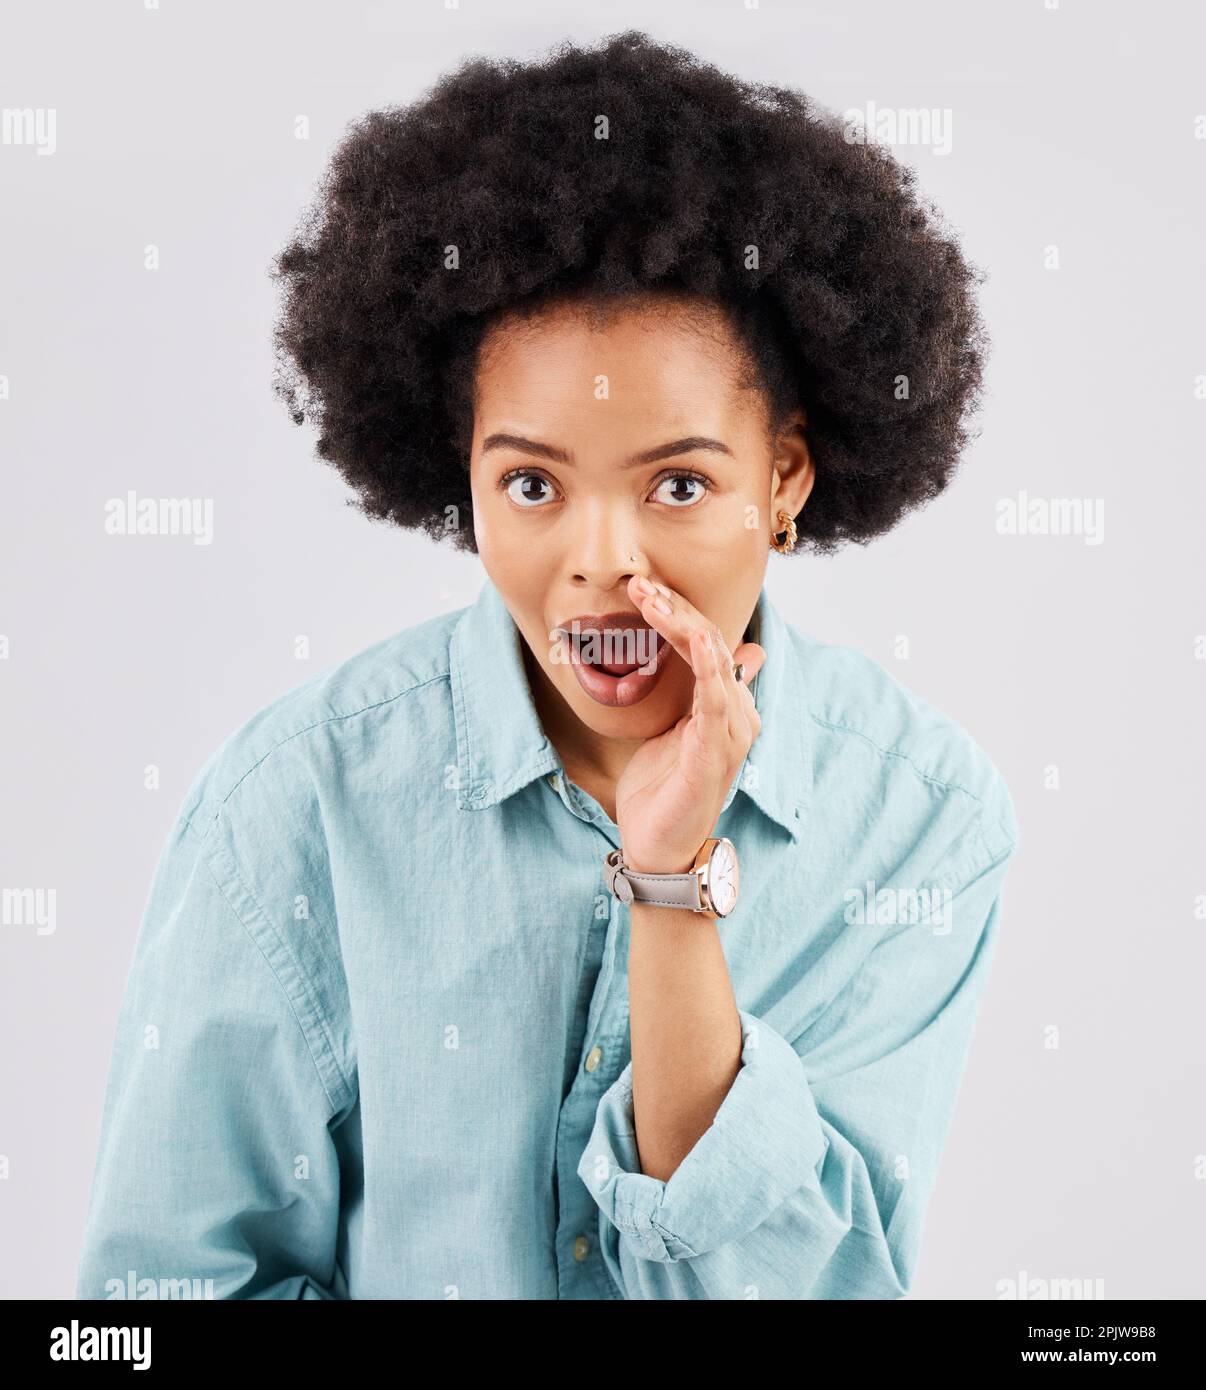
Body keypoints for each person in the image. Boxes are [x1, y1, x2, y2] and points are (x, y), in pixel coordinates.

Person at [76, 30, 1018, 1300]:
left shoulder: (920, 816)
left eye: (679, 483)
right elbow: (157, 1299)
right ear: (460, 476)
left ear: (785, 476)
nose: (600, 563)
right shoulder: (294, 803)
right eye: (532, 483)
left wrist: (673, 879)